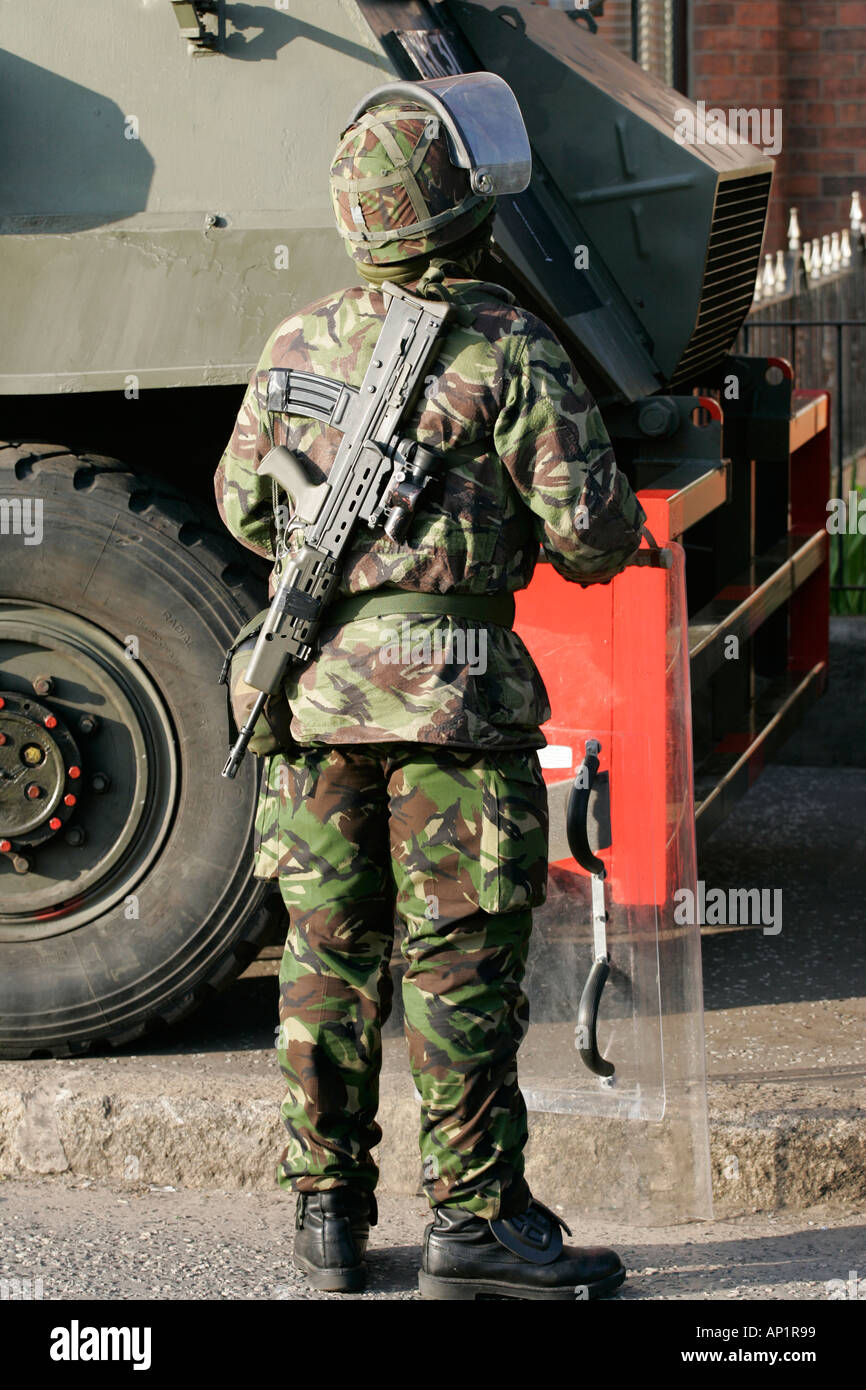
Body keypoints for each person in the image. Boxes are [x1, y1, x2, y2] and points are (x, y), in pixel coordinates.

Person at [214, 75, 646, 1301]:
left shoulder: (298, 340)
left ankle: (329, 1218)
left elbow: (246, 505)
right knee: (457, 966)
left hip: (308, 691)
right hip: (454, 703)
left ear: (355, 215)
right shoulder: (507, 344)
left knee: (325, 957)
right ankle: (471, 1226)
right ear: (461, 207)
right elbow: (595, 534)